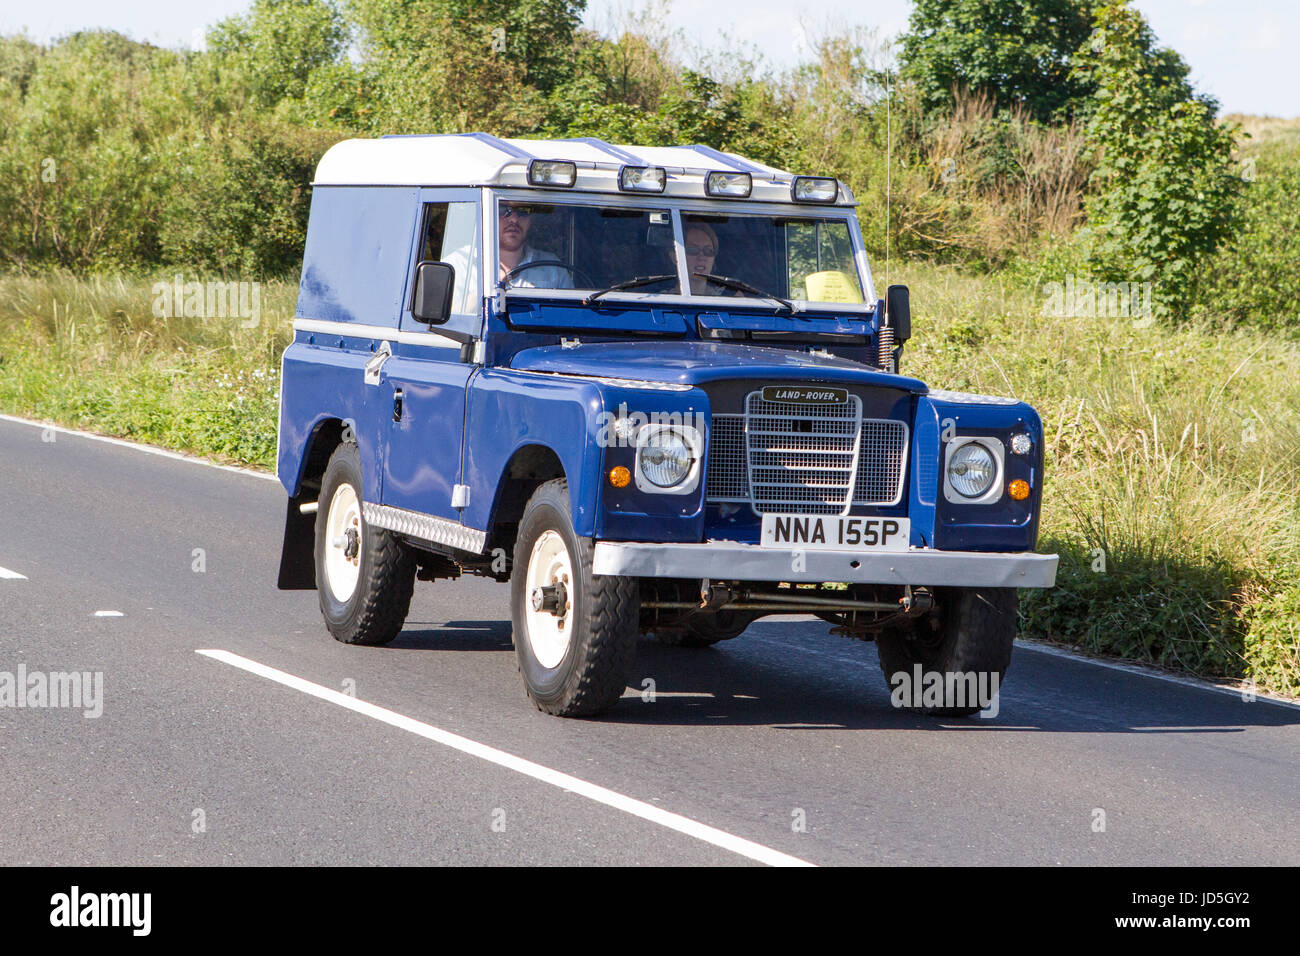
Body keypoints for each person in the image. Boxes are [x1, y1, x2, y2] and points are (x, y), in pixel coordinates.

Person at [497, 202, 573, 289]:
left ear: (531, 220)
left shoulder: (553, 267)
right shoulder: (478, 267)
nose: (514, 219)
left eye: (523, 211)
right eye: (502, 210)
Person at [683, 221, 730, 296]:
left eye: (708, 251)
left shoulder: (729, 300)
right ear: (675, 257)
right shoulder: (663, 299)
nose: (701, 257)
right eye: (692, 250)